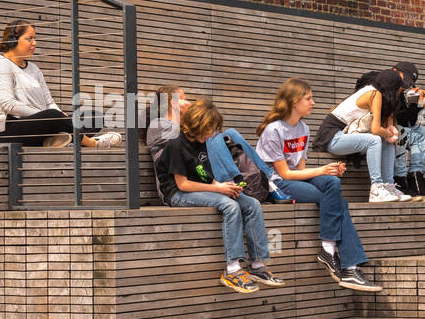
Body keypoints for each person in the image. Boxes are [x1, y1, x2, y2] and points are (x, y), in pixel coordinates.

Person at [255, 79, 382, 292]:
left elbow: (301, 169)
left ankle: (332, 253)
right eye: (308, 98)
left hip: (295, 178)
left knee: (332, 182)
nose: (313, 102)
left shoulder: (303, 127)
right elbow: (285, 173)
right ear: (294, 102)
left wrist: (329, 171)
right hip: (276, 183)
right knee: (335, 201)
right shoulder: (273, 130)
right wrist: (323, 170)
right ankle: (346, 263)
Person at [156, 98, 283, 293]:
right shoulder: (175, 144)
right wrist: (218, 190)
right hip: (177, 194)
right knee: (230, 206)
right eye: (209, 129)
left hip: (199, 188)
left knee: (252, 204)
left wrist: (225, 186)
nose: (211, 134)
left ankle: (258, 265)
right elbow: (183, 184)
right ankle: (232, 269)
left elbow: (206, 177)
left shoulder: (201, 142)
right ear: (197, 124)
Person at [0, 20, 123, 148]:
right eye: (29, 38)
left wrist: (58, 115)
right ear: (13, 41)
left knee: (94, 117)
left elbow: (49, 102)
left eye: (35, 39)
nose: (34, 43)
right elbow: (9, 105)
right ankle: (92, 143)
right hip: (8, 131)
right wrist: (51, 116)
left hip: (43, 125)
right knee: (54, 116)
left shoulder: (34, 69)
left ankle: (61, 140)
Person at [143, 85, 292, 203]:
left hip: (199, 173)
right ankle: (233, 181)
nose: (189, 102)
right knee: (214, 136)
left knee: (231, 134)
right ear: (173, 103)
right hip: (176, 187)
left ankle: (270, 176)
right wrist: (195, 115)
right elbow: (186, 138)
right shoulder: (159, 125)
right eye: (184, 98)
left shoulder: (182, 126)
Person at [317, 80, 414, 202]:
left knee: (385, 142)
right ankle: (376, 187)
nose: (400, 94)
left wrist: (388, 135)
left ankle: (388, 186)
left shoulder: (376, 94)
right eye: (399, 90)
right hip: (332, 137)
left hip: (344, 135)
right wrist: (389, 134)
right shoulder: (375, 94)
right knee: (375, 140)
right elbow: (375, 129)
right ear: (392, 90)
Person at [356, 63, 425, 198]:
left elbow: (406, 122)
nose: (403, 86)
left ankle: (416, 180)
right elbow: (388, 117)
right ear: (394, 71)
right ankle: (399, 180)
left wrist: (417, 106)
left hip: (388, 126)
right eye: (403, 81)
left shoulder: (398, 91)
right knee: (399, 131)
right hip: (367, 127)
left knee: (424, 132)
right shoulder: (376, 81)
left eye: (407, 84)